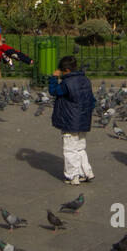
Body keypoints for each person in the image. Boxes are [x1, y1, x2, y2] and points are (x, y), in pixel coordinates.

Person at [48, 55, 95, 185]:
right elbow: (92, 99)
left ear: (66, 70)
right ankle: (86, 172)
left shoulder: (67, 83)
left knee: (69, 149)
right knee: (80, 147)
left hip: (70, 120)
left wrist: (53, 78)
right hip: (84, 119)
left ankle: (72, 176)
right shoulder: (85, 80)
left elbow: (53, 91)